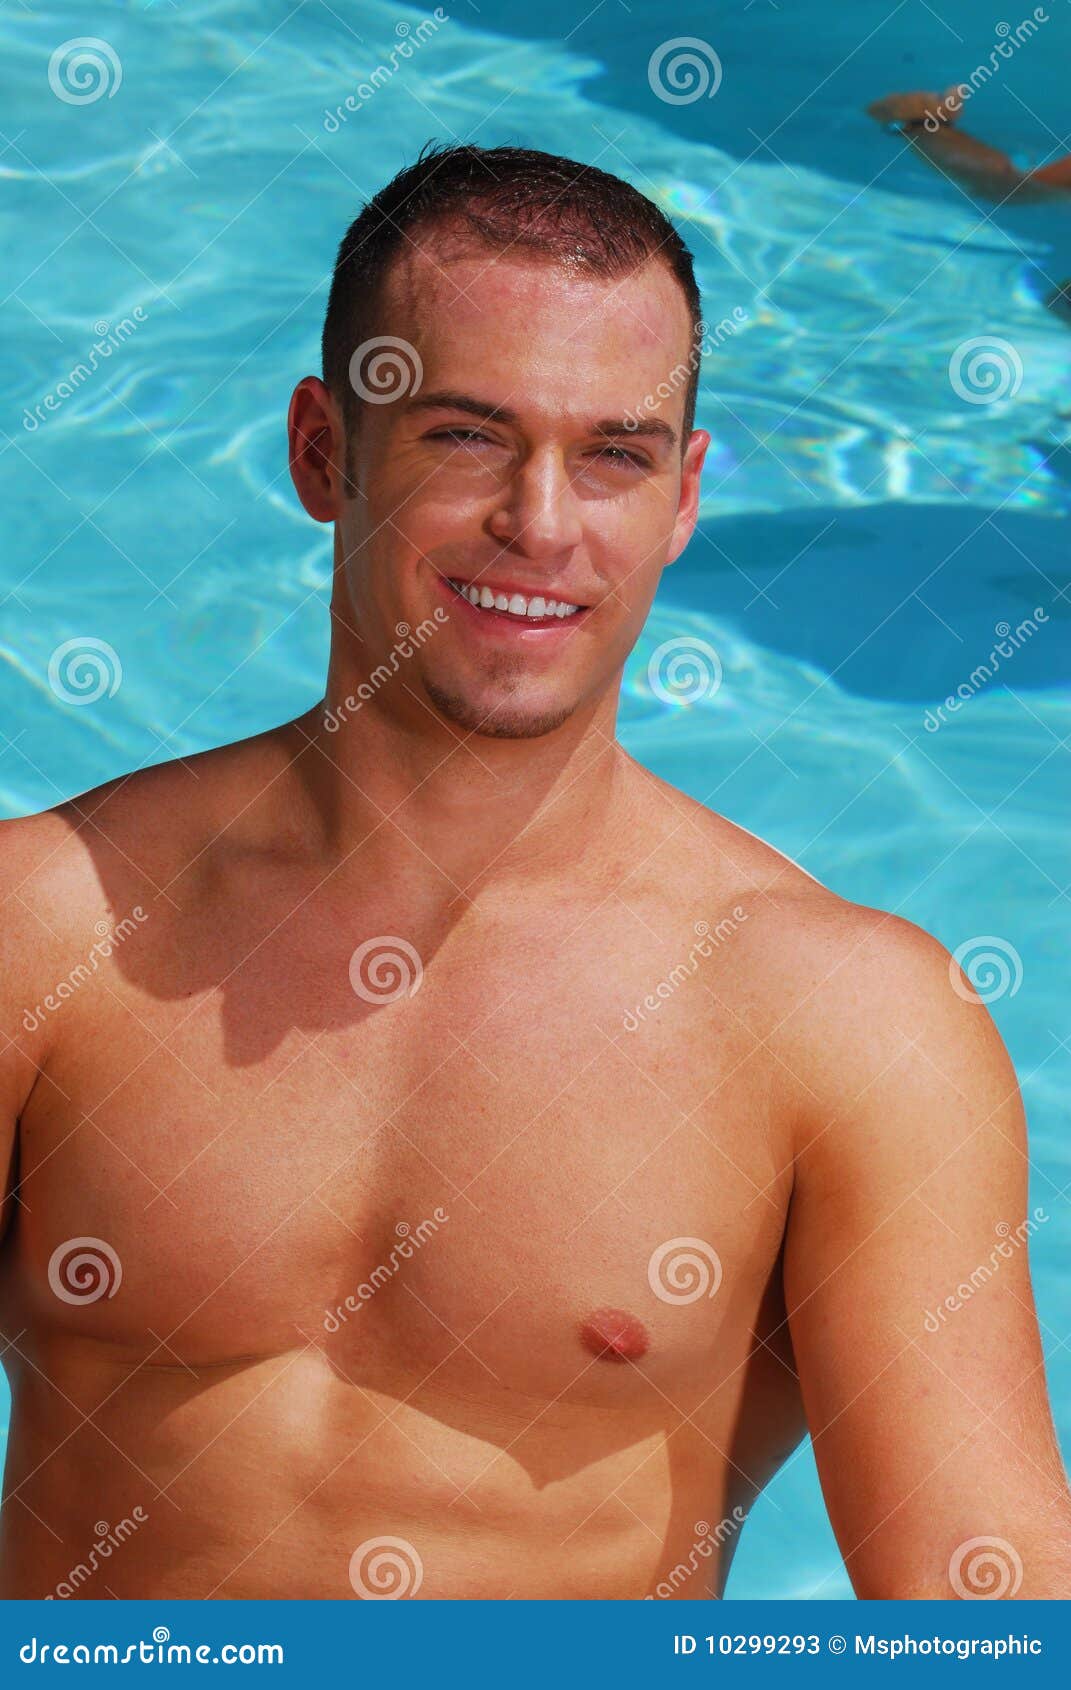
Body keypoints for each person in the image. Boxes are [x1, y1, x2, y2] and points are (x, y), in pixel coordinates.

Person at [1, 141, 1068, 1602]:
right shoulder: (43, 925)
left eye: (615, 455)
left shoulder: (849, 1022)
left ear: (686, 496)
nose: (543, 525)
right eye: (465, 436)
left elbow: (981, 1616)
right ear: (325, 450)